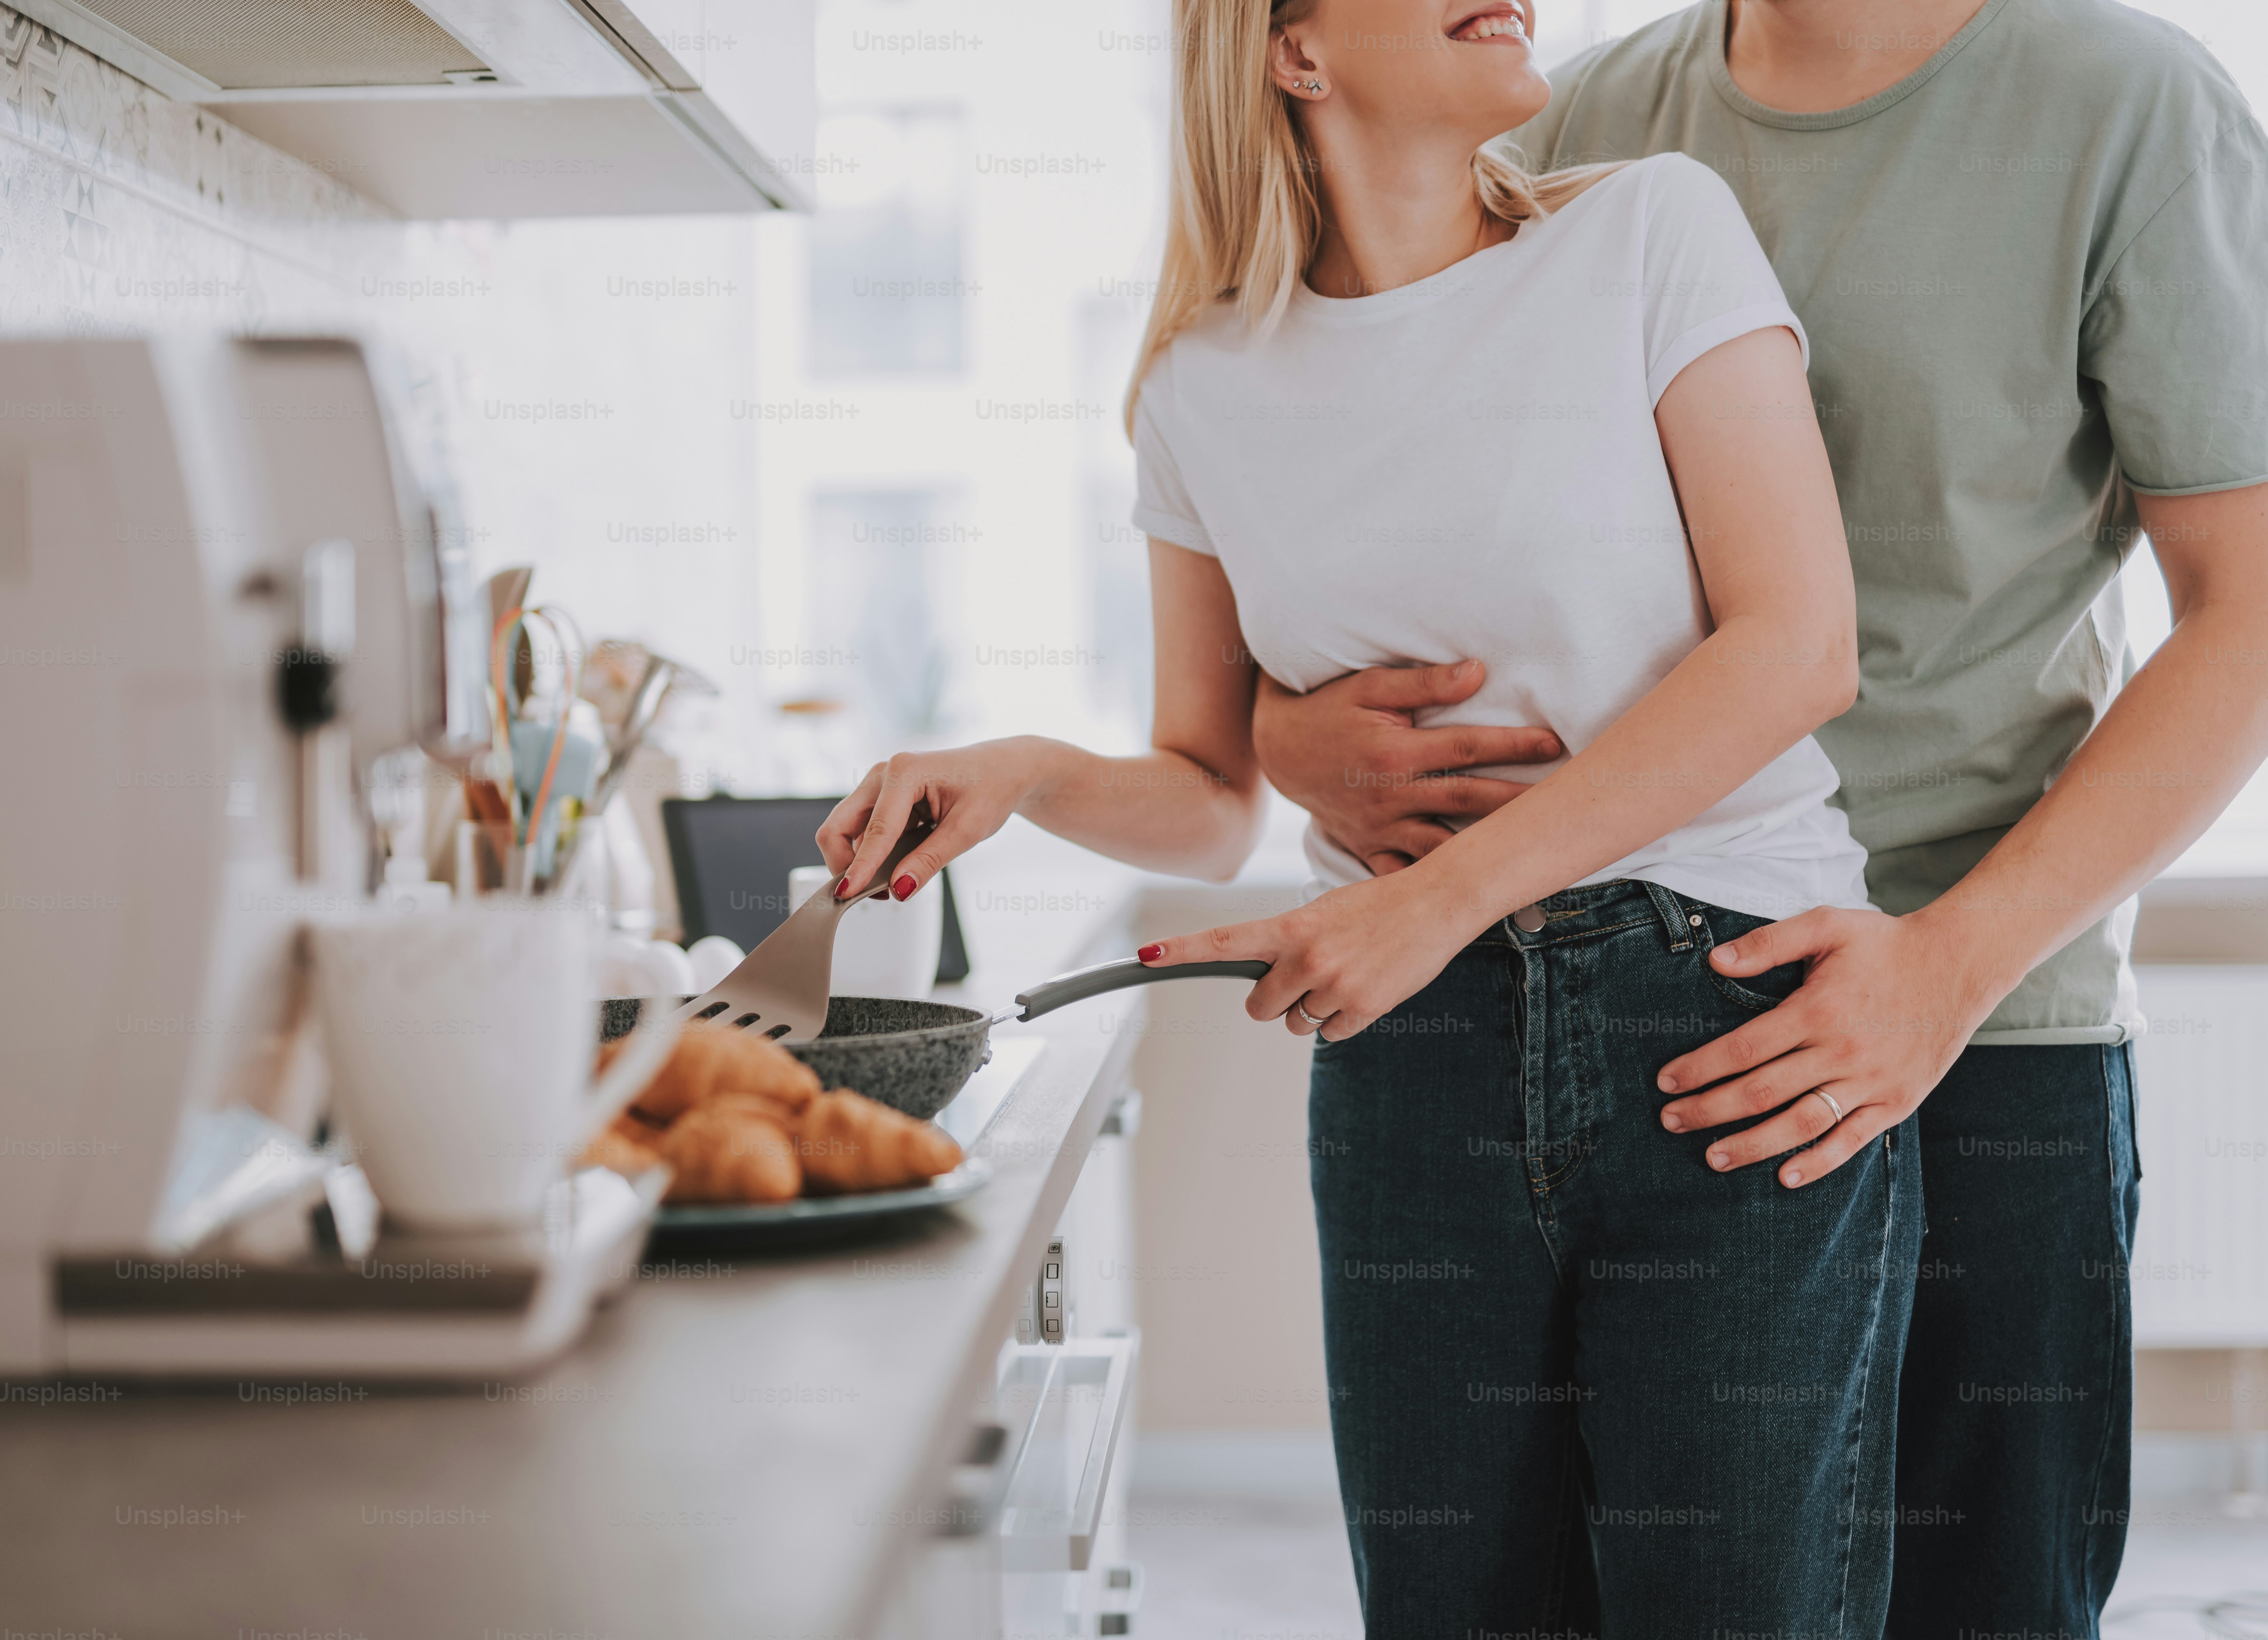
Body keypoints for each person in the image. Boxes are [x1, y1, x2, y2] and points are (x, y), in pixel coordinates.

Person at [819, 0, 1936, 1628]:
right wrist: (1031, 773)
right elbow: (1207, 794)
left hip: (1723, 1011)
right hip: (1415, 1065)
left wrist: (1433, 896)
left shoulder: (1650, 232)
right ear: (1293, 53)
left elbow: (1795, 644)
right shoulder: (1198, 388)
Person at [1246, 0, 2268, 1630]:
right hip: (1622, 1010)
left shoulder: (2122, 102)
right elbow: (1408, 516)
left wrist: (1946, 966)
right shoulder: (1561, 121)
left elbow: (2248, 612)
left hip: (1977, 1028)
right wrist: (1279, 728)